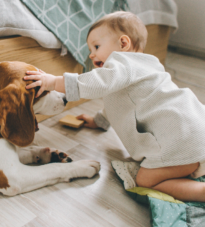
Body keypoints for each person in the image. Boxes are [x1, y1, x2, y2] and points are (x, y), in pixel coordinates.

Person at [23, 11, 205, 202]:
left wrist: (53, 82)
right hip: (194, 124)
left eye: (96, 46)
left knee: (145, 180)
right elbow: (122, 104)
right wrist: (98, 121)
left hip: (180, 139)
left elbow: (95, 83)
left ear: (123, 44)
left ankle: (200, 191)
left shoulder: (122, 62)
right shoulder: (144, 67)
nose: (91, 54)